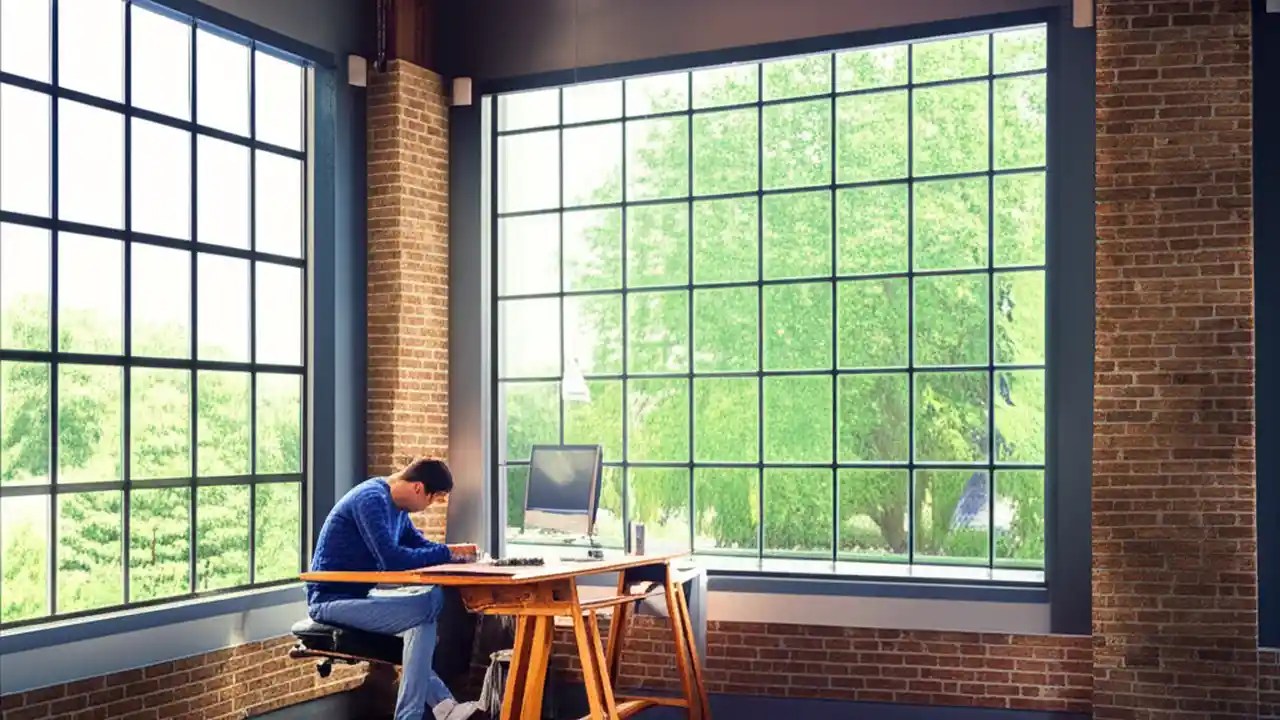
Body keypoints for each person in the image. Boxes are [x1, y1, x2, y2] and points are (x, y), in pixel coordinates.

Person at [306, 457, 486, 720]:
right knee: (430, 603)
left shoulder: (397, 509)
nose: (428, 507)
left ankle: (439, 708)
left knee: (423, 621)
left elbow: (417, 544)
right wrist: (447, 554)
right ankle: (437, 708)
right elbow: (393, 560)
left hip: (358, 595)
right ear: (418, 489)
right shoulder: (371, 500)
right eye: (433, 499)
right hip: (329, 602)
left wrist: (456, 553)